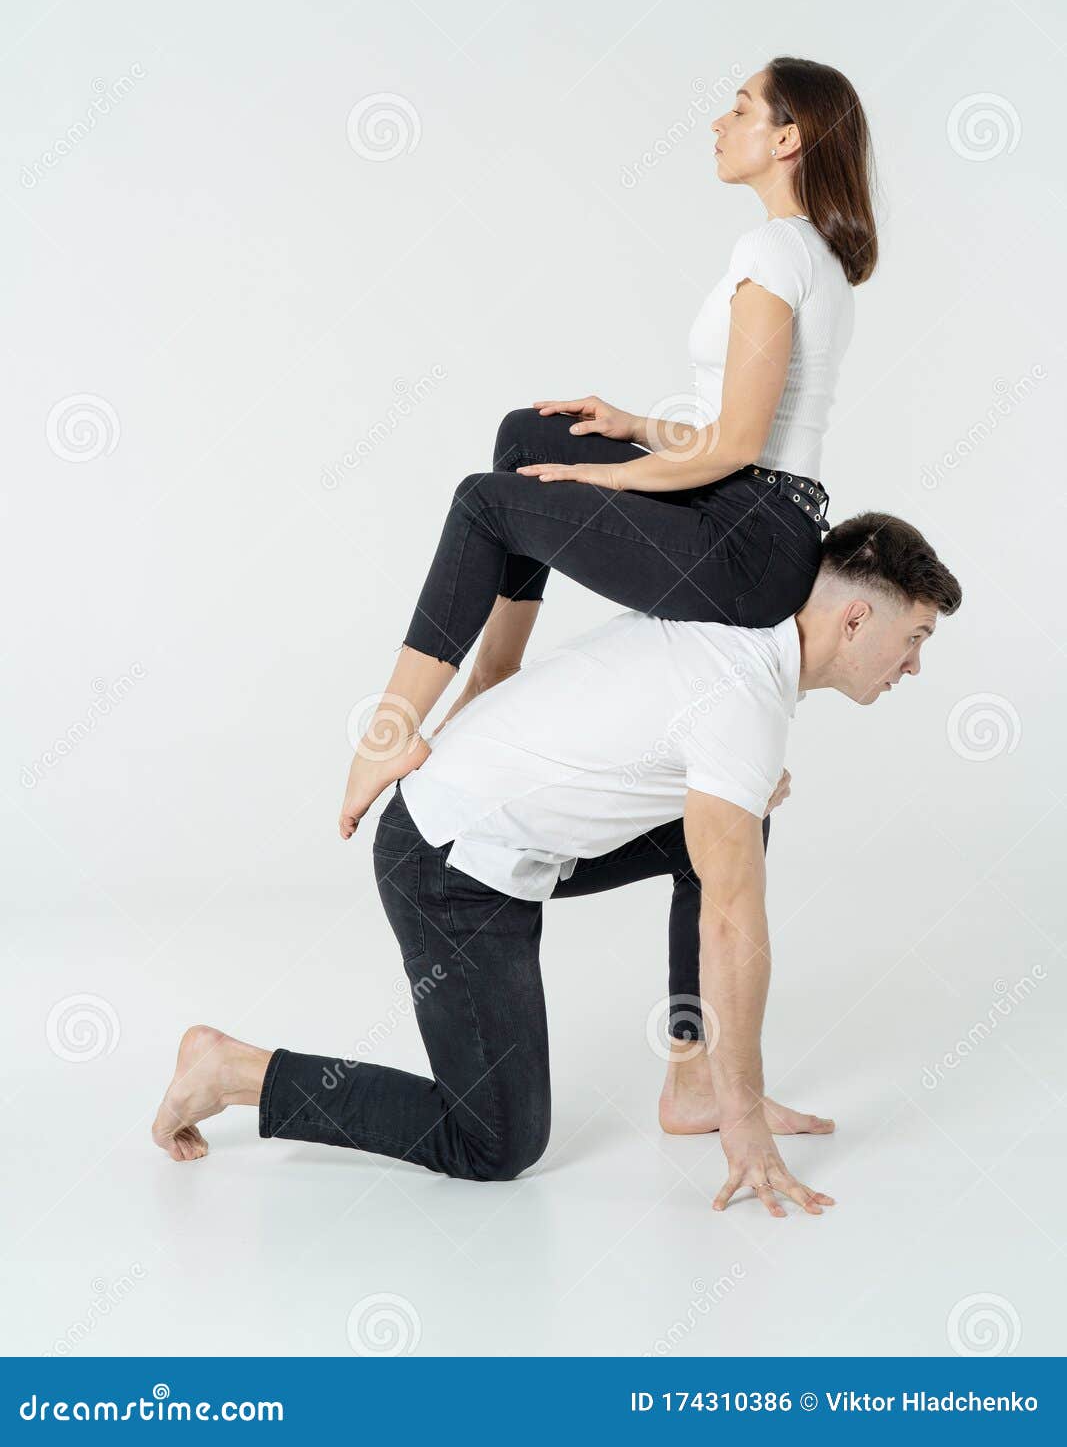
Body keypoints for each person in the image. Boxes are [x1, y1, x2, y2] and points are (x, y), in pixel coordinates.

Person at [154, 513, 962, 1219]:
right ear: (855, 620)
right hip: (447, 865)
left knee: (731, 832)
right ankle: (236, 1071)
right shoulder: (743, 703)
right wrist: (746, 1117)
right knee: (496, 1142)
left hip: (510, 830)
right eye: (915, 638)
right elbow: (729, 921)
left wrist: (734, 797)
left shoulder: (738, 622)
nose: (914, 666)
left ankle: (690, 1081)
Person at [338, 56, 878, 851]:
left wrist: (599, 476)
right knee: (529, 436)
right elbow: (755, 438)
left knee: (484, 501)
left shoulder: (772, 256)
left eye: (739, 111)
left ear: (787, 138)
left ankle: (386, 735)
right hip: (754, 512)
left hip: (746, 548)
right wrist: (632, 427)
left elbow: (735, 447)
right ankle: (494, 673)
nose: (717, 125)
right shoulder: (804, 254)